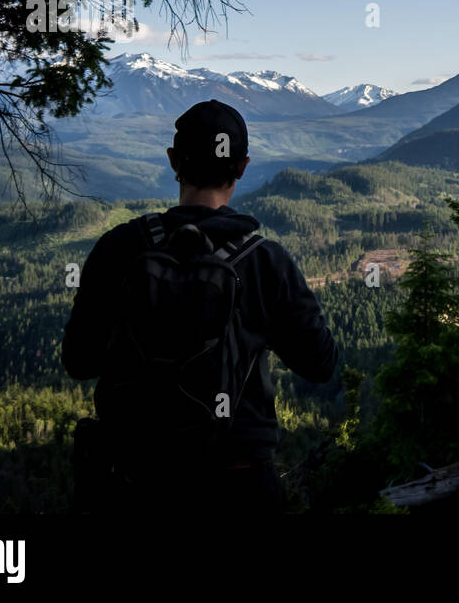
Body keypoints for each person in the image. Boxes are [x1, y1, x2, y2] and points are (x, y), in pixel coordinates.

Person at [62, 99, 338, 513]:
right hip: (240, 485)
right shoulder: (266, 261)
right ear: (242, 167)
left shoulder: (119, 247)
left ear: (174, 160)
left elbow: (79, 362)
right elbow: (322, 364)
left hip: (134, 483)